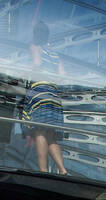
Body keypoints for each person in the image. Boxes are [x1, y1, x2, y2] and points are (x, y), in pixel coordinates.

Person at [22, 23, 69, 175]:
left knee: (39, 132)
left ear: (35, 34)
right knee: (51, 136)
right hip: (53, 95)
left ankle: (43, 170)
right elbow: (62, 76)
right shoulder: (54, 53)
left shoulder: (35, 47)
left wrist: (24, 71)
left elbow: (37, 63)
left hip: (39, 92)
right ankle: (63, 170)